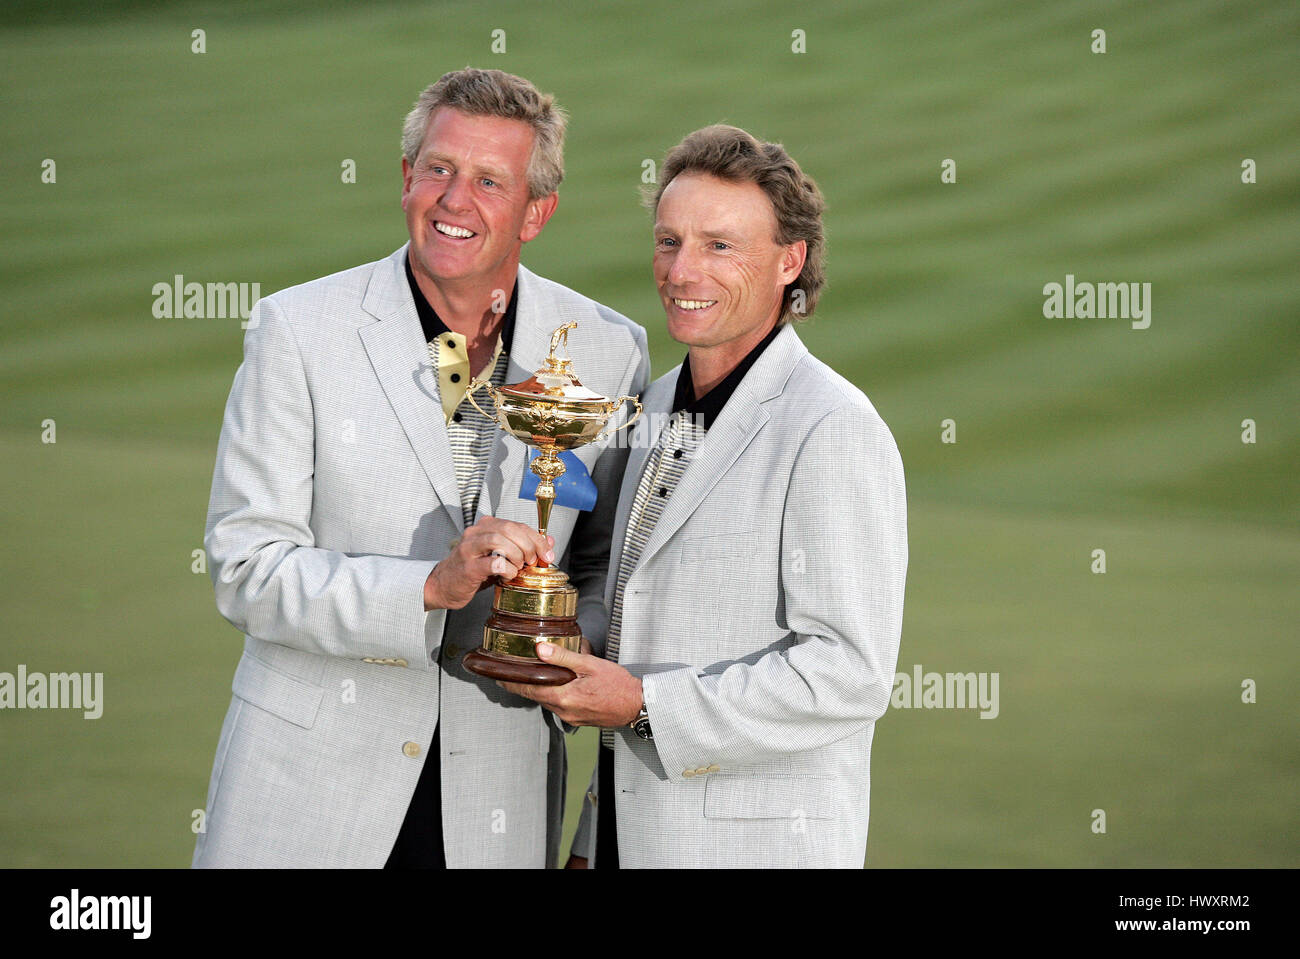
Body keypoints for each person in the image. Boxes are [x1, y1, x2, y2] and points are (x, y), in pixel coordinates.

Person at [193, 68, 649, 868]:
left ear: (535, 211)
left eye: (488, 180)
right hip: (307, 800)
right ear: (406, 179)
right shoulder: (297, 329)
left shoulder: (610, 349)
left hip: (498, 807)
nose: (453, 199)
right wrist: (428, 590)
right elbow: (245, 567)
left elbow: (609, 573)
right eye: (437, 169)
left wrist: (561, 645)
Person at [501, 125, 907, 868]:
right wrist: (574, 641)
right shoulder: (652, 406)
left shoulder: (832, 426)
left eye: (720, 246)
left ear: (792, 261)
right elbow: (632, 610)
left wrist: (644, 706)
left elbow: (850, 671)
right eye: (669, 241)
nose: (683, 270)